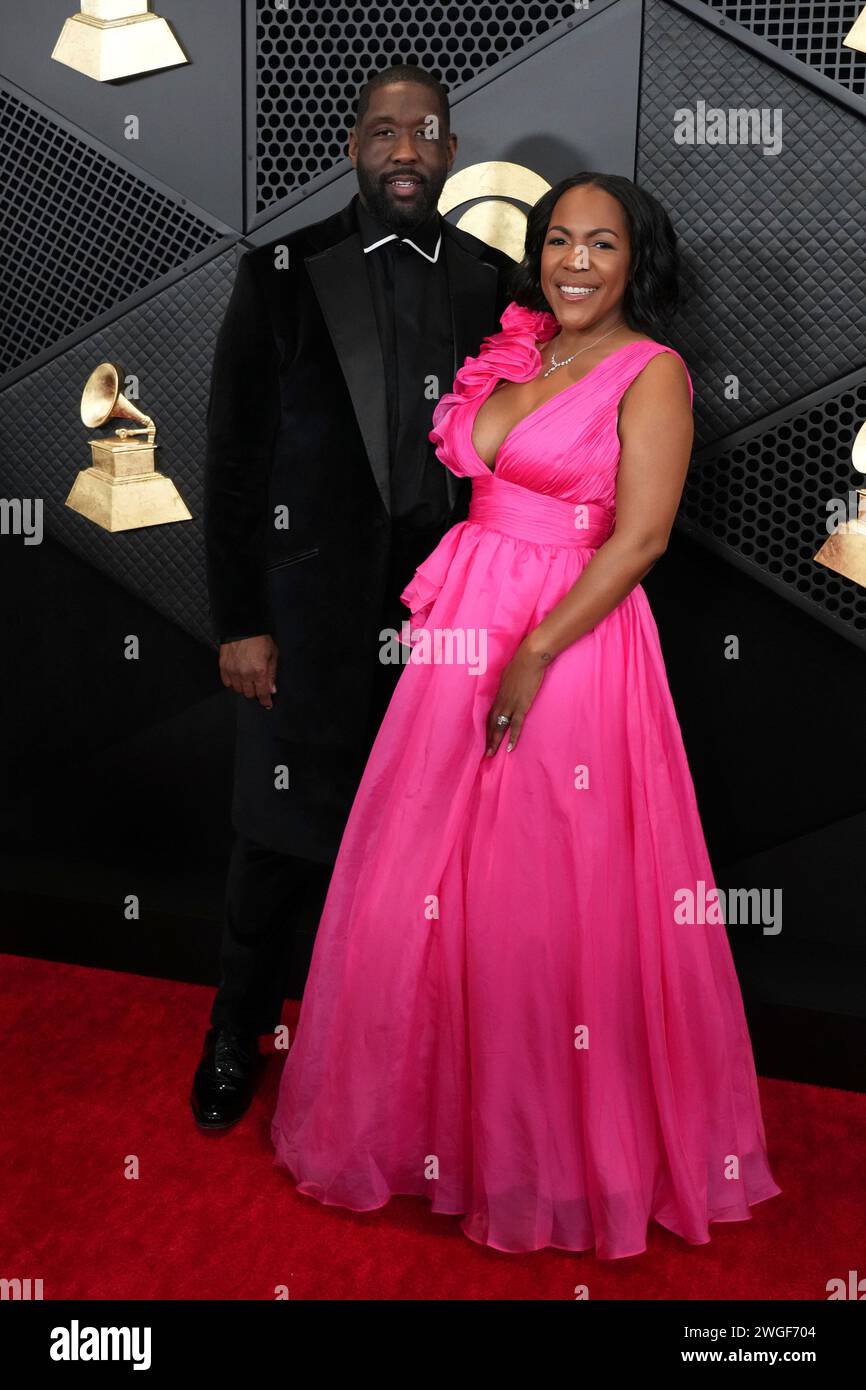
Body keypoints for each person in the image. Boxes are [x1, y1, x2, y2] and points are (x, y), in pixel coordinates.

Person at [269, 173, 782, 1258]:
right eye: (559, 240)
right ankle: (436, 1132)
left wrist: (535, 652)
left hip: (569, 642)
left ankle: (549, 1161)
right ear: (535, 250)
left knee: (541, 887)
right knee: (427, 880)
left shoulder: (652, 376)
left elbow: (638, 541)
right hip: (463, 635)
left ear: (636, 259)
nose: (577, 262)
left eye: (601, 244)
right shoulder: (520, 347)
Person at [192, 65, 514, 1129]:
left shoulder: (492, 281)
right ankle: (235, 1033)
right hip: (302, 626)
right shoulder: (279, 272)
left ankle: (390, 1063)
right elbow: (233, 462)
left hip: (441, 631)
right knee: (275, 842)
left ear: (452, 150)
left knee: (421, 856)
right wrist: (240, 619)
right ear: (352, 148)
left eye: (423, 133)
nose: (405, 151)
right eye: (384, 132)